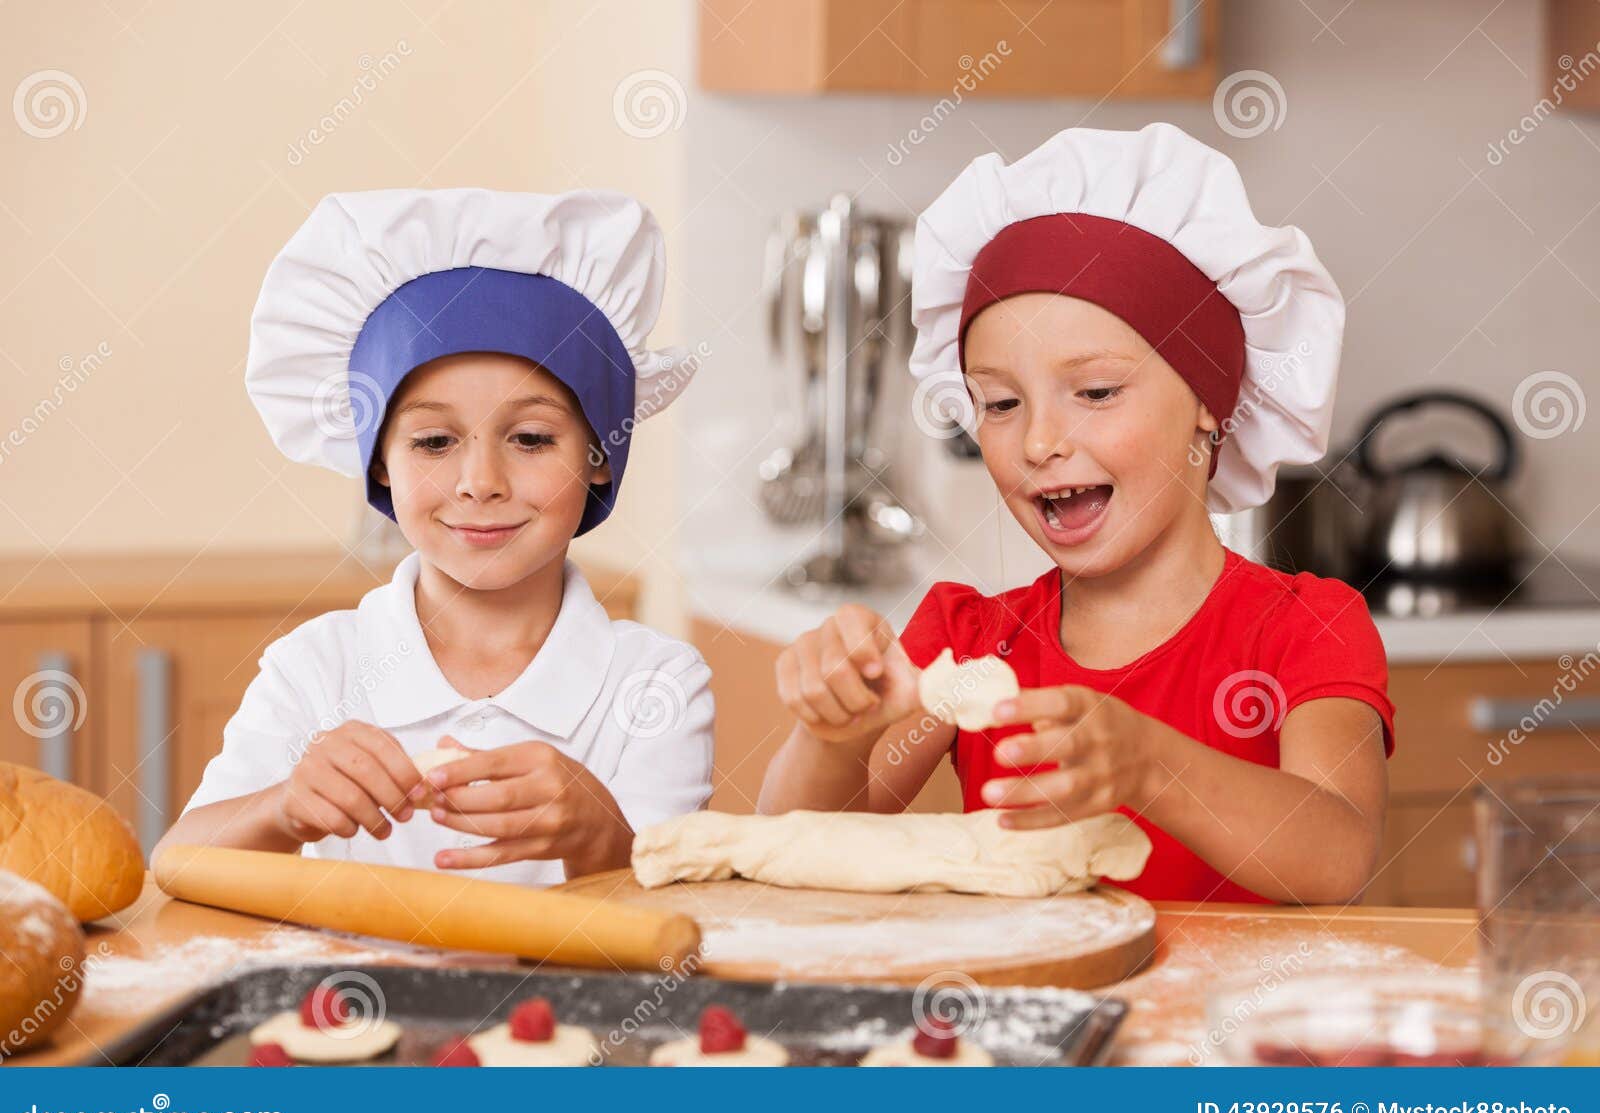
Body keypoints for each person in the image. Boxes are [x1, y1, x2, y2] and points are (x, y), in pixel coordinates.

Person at [759, 124, 1392, 905]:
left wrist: (1148, 761)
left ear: (1207, 402)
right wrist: (836, 730)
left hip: (1233, 1026)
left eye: (1095, 392)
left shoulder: (1305, 631)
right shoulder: (968, 640)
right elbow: (798, 853)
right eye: (998, 403)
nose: (1040, 440)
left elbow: (1335, 856)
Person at [155, 188, 712, 885]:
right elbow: (175, 865)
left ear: (602, 454)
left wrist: (601, 836)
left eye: (532, 438)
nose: (480, 481)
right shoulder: (317, 669)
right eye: (435, 440)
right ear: (380, 463)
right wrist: (282, 808)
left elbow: (677, 931)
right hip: (354, 1001)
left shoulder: (655, 685)